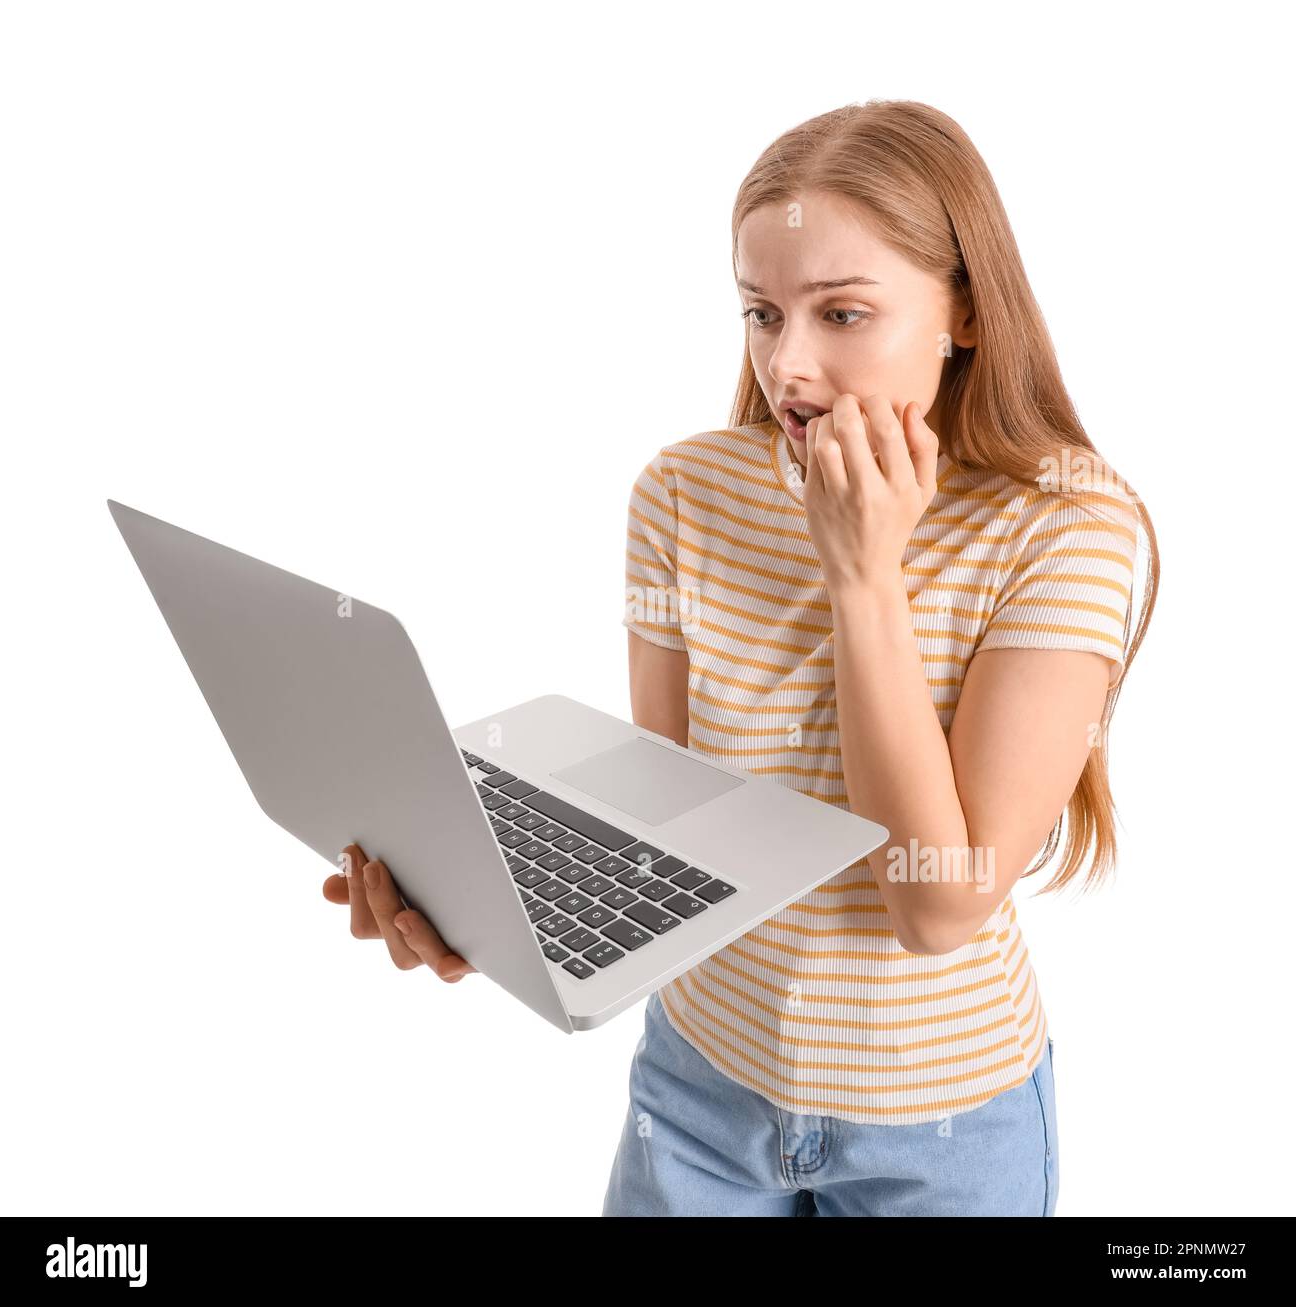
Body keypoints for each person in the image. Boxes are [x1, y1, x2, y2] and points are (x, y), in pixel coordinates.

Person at [323, 99, 1160, 1217]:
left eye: (843, 313)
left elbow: (939, 905)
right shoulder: (683, 492)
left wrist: (864, 575)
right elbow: (665, 818)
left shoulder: (1068, 525)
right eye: (762, 313)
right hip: (700, 1083)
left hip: (937, 1125)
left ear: (962, 307)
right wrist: (502, 917)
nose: (789, 365)